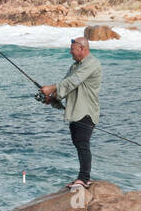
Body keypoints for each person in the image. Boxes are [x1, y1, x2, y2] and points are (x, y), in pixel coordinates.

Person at [39, 35, 102, 189]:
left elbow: (73, 81)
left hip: (86, 111)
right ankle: (82, 177)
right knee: (78, 143)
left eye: (72, 49)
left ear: (82, 48)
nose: (70, 52)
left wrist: (51, 88)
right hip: (75, 111)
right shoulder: (75, 66)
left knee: (82, 143)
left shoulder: (92, 63)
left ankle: (84, 179)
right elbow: (66, 87)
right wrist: (51, 98)